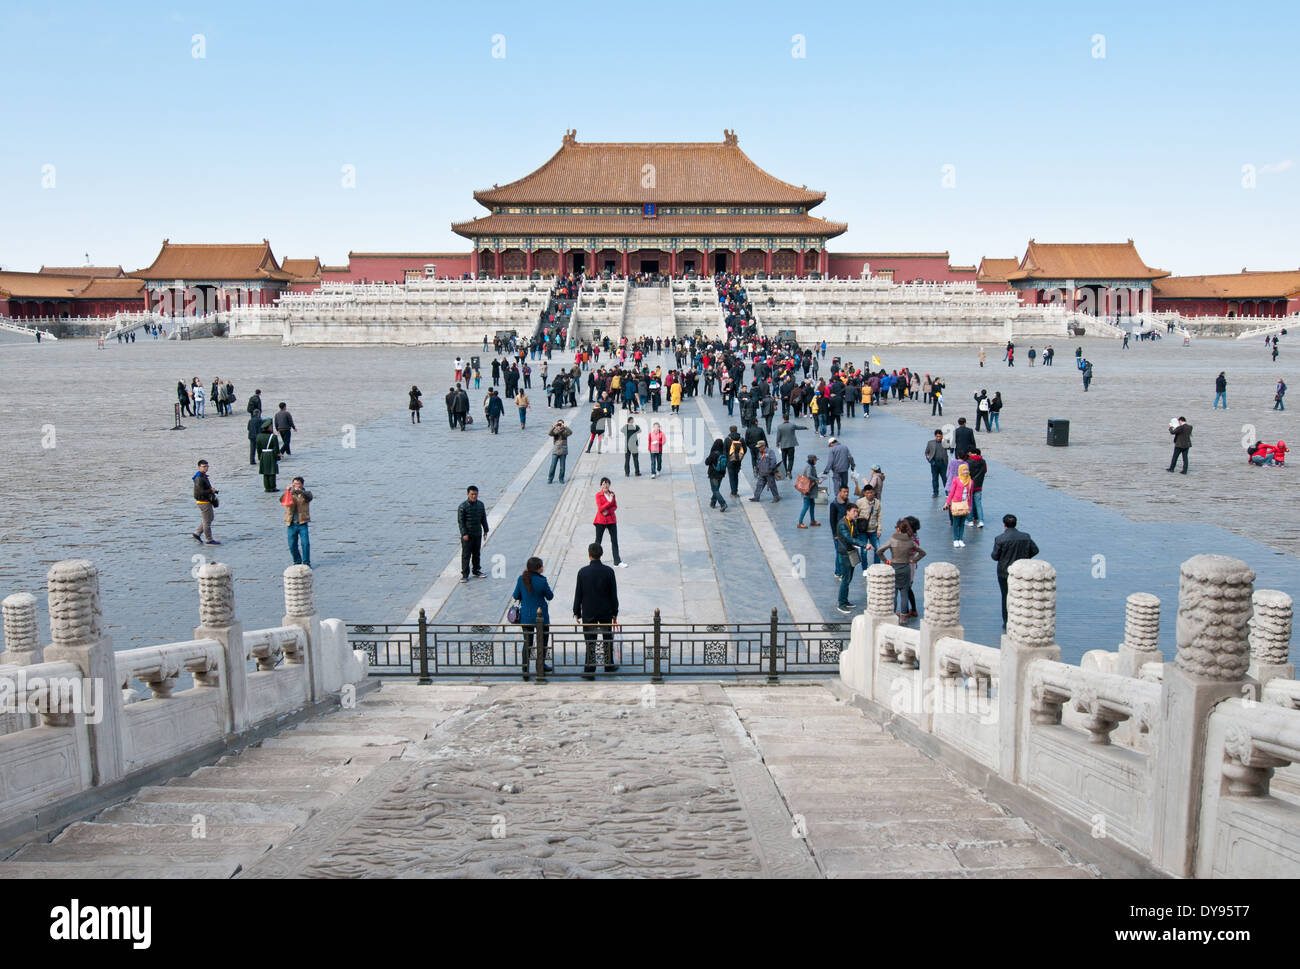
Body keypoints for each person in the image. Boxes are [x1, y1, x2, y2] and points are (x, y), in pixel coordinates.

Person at [573, 542, 620, 678]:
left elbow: (578, 593)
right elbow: (613, 594)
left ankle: (590, 668)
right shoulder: (609, 571)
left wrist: (576, 611)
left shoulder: (582, 572)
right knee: (607, 638)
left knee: (590, 640)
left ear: (589, 555)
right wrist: (615, 611)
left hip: (589, 611)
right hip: (605, 611)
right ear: (601, 554)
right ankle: (608, 665)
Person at [991, 514, 1039, 629]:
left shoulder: (1000, 539)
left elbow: (995, 556)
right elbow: (1035, 550)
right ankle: (1022, 618)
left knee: (1005, 596)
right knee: (1023, 595)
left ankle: (1007, 621)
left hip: (1004, 572)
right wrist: (1025, 558)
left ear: (1005, 525)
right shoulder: (1026, 537)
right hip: (1022, 571)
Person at [514, 557, 554, 679]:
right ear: (537, 568)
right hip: (541, 617)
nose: (543, 567)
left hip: (526, 617)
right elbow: (550, 596)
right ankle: (540, 667)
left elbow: (516, 595)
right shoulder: (542, 581)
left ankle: (525, 670)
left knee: (527, 643)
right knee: (542, 643)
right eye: (541, 566)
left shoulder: (521, 579)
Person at [879, 518, 925, 624]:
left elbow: (879, 551)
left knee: (894, 593)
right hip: (906, 568)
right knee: (904, 593)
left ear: (899, 529)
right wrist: (913, 560)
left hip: (894, 567)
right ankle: (903, 617)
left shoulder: (892, 540)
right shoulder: (910, 541)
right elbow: (922, 552)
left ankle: (892, 614)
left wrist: (886, 561)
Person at [834, 504, 872, 613]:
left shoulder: (852, 522)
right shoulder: (842, 524)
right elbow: (848, 538)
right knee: (846, 579)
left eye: (857, 512)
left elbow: (855, 536)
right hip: (845, 554)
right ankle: (841, 603)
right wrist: (864, 545)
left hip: (851, 552)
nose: (856, 514)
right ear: (848, 511)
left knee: (849, 578)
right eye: (854, 511)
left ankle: (845, 601)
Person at [457, 485, 489, 582]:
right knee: (466, 555)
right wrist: (464, 533)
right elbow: (461, 522)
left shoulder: (480, 505)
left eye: (475, 494)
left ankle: (476, 570)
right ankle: (465, 574)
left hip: (477, 533)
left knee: (476, 553)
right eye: (472, 494)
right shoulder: (463, 507)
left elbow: (483, 518)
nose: (474, 496)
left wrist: (485, 529)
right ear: (468, 494)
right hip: (467, 535)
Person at [594, 477, 626, 567]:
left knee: (614, 541)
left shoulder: (612, 494)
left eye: (607, 483)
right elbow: (600, 508)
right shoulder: (598, 495)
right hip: (601, 521)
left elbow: (615, 506)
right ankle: (596, 560)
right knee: (598, 541)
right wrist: (609, 502)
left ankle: (617, 561)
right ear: (601, 486)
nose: (605, 485)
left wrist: (609, 510)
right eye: (603, 484)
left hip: (611, 520)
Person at [284, 475, 312, 568]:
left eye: (298, 484)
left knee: (305, 543)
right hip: (291, 523)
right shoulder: (290, 493)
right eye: (295, 484)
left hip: (302, 522)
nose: (296, 485)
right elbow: (282, 500)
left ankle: (306, 562)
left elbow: (309, 497)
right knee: (292, 544)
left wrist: (301, 492)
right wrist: (288, 492)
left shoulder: (306, 493)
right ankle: (297, 561)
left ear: (302, 484)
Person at [191, 460, 220, 545]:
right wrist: (210, 490)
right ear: (199, 467)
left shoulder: (202, 476)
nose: (206, 468)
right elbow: (199, 492)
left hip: (205, 501)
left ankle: (197, 534)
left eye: (207, 466)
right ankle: (209, 540)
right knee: (207, 521)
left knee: (208, 518)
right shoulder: (199, 478)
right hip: (203, 502)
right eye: (204, 466)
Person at [944, 463, 973, 547]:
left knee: (962, 523)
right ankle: (955, 539)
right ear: (960, 471)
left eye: (966, 470)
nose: (966, 472)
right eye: (964, 470)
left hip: (965, 504)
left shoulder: (970, 481)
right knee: (956, 523)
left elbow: (970, 495)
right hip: (956, 504)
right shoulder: (956, 480)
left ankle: (961, 539)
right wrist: (947, 502)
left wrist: (970, 506)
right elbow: (952, 492)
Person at [852, 482, 881, 562]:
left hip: (873, 531)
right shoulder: (859, 502)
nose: (869, 495)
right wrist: (854, 530)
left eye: (871, 492)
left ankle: (877, 567)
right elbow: (855, 516)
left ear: (874, 492)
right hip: (862, 531)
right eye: (867, 493)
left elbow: (879, 517)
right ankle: (865, 568)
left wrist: (879, 530)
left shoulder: (877, 502)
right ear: (864, 493)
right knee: (864, 551)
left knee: (878, 550)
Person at [829, 484, 852, 578]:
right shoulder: (834, 504)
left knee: (845, 552)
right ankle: (838, 572)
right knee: (839, 552)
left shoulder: (848, 503)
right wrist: (835, 534)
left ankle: (843, 570)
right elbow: (832, 520)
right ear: (840, 492)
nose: (846, 493)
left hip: (847, 532)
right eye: (844, 492)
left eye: (847, 492)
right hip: (838, 533)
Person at [796, 454, 823, 528]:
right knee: (806, 506)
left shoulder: (810, 466)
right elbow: (808, 476)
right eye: (815, 460)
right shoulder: (809, 467)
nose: (816, 461)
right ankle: (800, 522)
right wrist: (817, 479)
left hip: (810, 490)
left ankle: (812, 520)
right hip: (807, 490)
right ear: (812, 460)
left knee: (812, 505)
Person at [705, 438, 730, 512]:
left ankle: (723, 503)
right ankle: (713, 503)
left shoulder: (713, 454)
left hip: (713, 475)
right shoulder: (723, 453)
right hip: (721, 475)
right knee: (716, 490)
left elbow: (707, 462)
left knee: (715, 490)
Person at [965, 448, 988, 528]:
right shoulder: (983, 461)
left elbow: (965, 473)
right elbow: (985, 471)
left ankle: (970, 520)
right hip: (979, 485)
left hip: (970, 485)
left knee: (969, 503)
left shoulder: (968, 462)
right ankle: (981, 521)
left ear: (972, 453)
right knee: (978, 504)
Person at [256, 419, 280, 492]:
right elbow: (276, 448)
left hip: (263, 454)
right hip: (271, 454)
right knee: (272, 471)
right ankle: (272, 487)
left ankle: (267, 487)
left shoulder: (259, 436)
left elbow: (258, 448)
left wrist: (260, 456)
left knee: (265, 472)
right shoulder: (273, 437)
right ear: (268, 427)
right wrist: (277, 457)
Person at [924, 429, 948, 497]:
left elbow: (951, 447)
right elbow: (926, 453)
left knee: (945, 479)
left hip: (943, 463)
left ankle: (947, 492)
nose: (938, 438)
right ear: (935, 436)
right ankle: (935, 492)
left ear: (942, 436)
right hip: (934, 463)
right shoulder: (930, 443)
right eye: (937, 436)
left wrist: (946, 440)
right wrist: (930, 461)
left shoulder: (944, 442)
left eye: (940, 436)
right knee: (935, 479)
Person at [725, 427, 746, 497]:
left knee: (731, 477)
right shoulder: (741, 439)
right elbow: (745, 449)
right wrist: (740, 457)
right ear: (736, 430)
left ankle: (733, 492)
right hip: (738, 461)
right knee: (736, 476)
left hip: (730, 461)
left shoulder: (727, 439)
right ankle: (736, 490)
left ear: (730, 430)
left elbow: (724, 451)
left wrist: (728, 458)